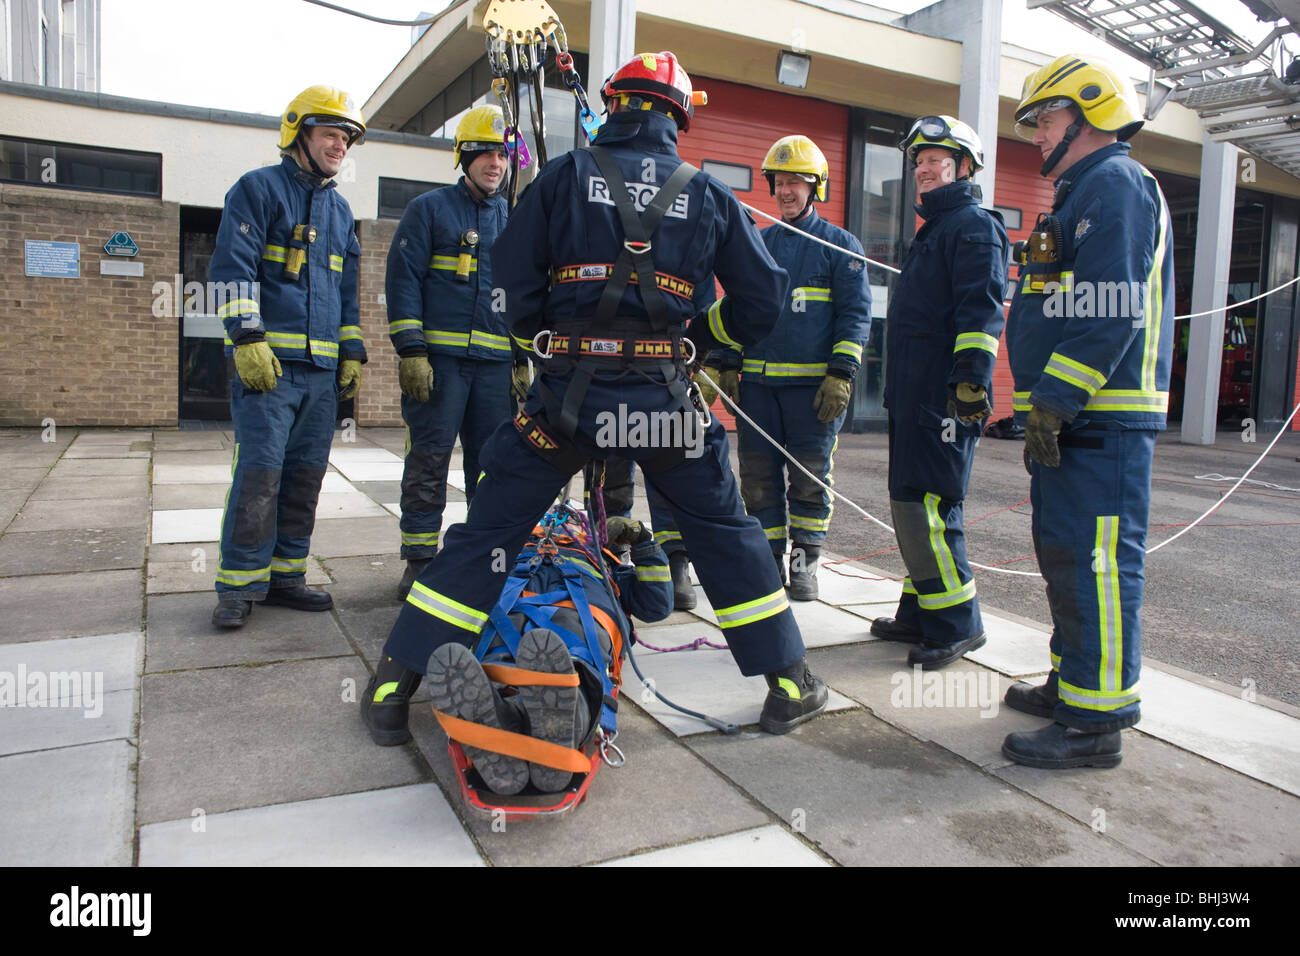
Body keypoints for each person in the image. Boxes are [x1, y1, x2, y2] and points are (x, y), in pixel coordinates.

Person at [360, 51, 831, 747]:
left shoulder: (561, 179)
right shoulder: (707, 196)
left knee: (489, 531)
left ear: (614, 106)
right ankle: (790, 684)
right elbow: (762, 300)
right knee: (725, 533)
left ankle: (394, 687)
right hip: (664, 412)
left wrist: (550, 342)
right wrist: (700, 340)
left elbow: (511, 285)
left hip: (565, 408)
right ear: (677, 117)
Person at [1001, 55, 1174, 769]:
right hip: (1077, 420)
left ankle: (1093, 726)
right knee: (1068, 559)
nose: (1038, 134)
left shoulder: (1117, 185)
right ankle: (1073, 683)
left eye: (1046, 117)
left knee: (1097, 566)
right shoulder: (1083, 194)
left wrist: (1056, 402)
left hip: (1099, 419)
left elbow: (1110, 310)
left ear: (1088, 112)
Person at [209, 86, 367, 628]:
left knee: (305, 477)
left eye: (346, 137)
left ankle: (286, 576)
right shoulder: (257, 190)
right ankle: (237, 585)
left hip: (321, 377)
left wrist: (351, 350)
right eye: (330, 133)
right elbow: (233, 267)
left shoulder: (342, 212)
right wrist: (247, 338)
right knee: (260, 475)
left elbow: (347, 293)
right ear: (297, 133)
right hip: (268, 371)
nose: (339, 144)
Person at [698, 135, 871, 600]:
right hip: (757, 390)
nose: (787, 192)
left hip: (813, 393)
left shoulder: (840, 246)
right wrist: (726, 360)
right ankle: (769, 565)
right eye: (780, 183)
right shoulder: (760, 241)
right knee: (758, 481)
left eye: (797, 182)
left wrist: (842, 373)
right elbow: (738, 306)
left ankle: (804, 567)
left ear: (816, 188)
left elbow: (855, 315)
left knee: (810, 480)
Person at [868, 116, 1008, 669]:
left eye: (937, 160)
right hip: (914, 397)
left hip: (944, 399)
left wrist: (971, 379)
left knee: (928, 505)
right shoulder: (937, 230)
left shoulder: (972, 226)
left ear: (964, 167)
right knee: (912, 504)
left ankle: (957, 624)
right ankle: (921, 610)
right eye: (919, 161)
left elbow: (982, 308)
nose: (924, 169)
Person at [422, 511, 672, 795]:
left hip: (577, 610)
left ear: (587, 532)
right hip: (520, 605)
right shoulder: (508, 551)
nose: (555, 521)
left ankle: (509, 726)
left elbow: (656, 605)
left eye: (570, 519)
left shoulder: (603, 561)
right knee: (527, 655)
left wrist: (643, 542)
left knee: (566, 655)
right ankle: (539, 725)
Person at [386, 104, 522, 600]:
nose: (494, 163)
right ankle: (419, 559)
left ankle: (480, 558)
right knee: (428, 459)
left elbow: (526, 293)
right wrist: (411, 350)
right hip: (439, 367)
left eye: (502, 154)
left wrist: (522, 359)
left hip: (494, 370)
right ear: (463, 156)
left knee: (491, 466)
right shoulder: (429, 210)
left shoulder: (514, 219)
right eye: (484, 153)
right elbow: (402, 282)